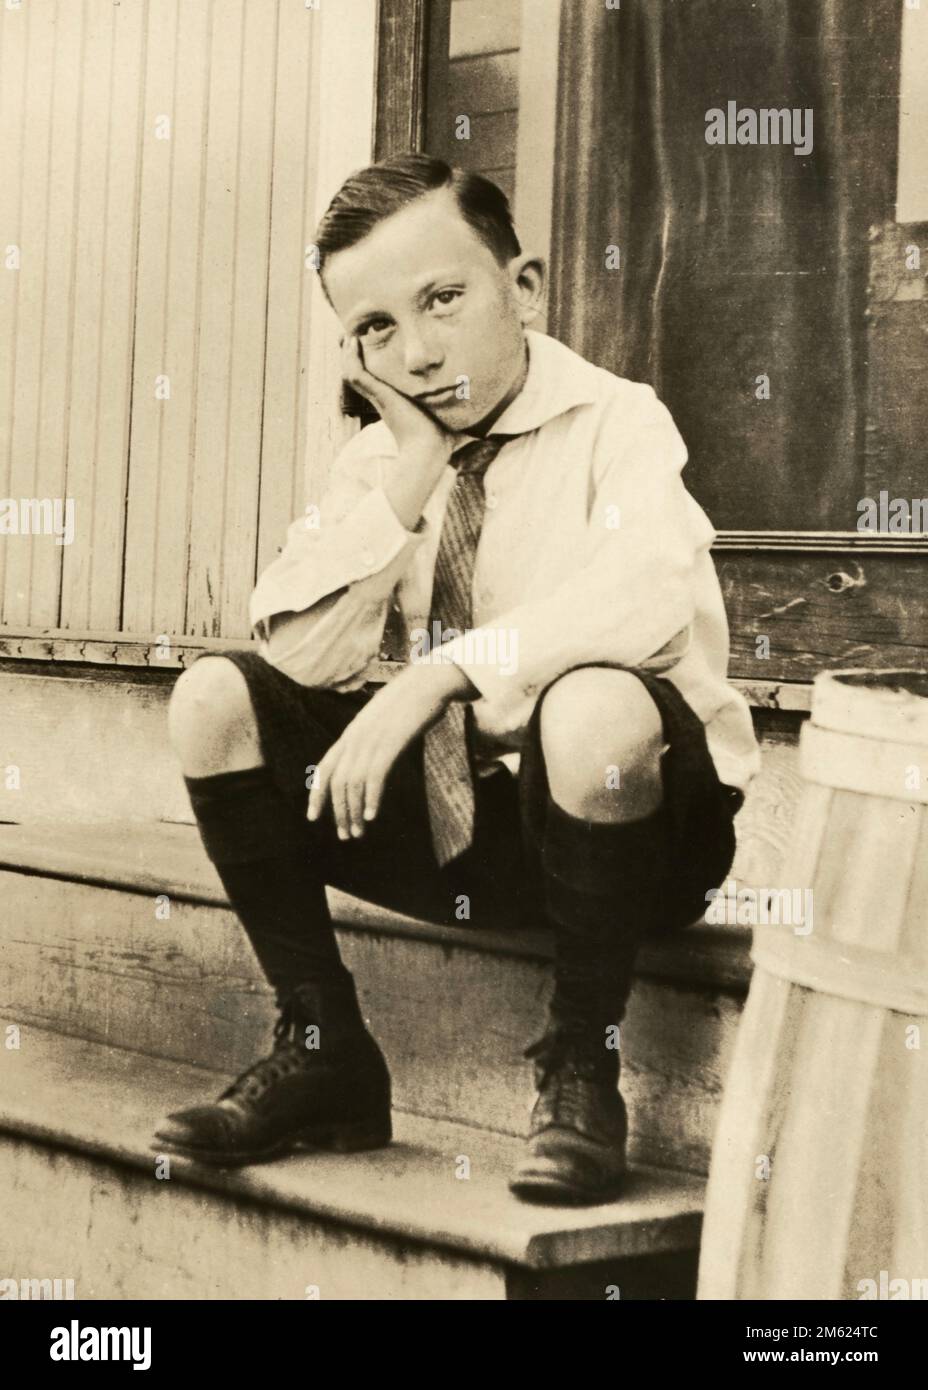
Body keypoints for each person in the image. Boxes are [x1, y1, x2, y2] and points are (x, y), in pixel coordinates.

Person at [153, 152, 761, 1206]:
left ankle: (581, 1068)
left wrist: (436, 677)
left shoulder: (619, 422)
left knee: (596, 701)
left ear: (521, 289)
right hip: (465, 835)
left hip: (639, 837)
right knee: (214, 696)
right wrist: (415, 467)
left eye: (443, 299)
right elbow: (299, 653)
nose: (420, 350)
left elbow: (647, 594)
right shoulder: (382, 461)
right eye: (377, 328)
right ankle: (324, 1045)